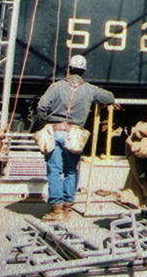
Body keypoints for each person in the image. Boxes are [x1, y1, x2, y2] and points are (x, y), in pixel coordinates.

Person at [34, 54, 115, 221]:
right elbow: (110, 97)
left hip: (54, 131)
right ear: (83, 72)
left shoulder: (56, 86)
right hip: (75, 134)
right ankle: (67, 208)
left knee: (55, 171)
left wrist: (43, 124)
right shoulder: (90, 89)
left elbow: (41, 106)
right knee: (71, 170)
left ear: (69, 69)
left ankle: (56, 210)